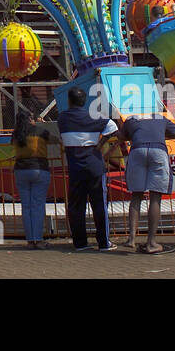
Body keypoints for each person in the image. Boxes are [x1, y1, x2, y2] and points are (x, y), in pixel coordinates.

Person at [57, 86, 120, 252]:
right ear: (84, 102)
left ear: (69, 101)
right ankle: (104, 243)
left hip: (75, 168)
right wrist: (100, 144)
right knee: (99, 205)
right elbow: (113, 127)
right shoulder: (94, 116)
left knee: (76, 207)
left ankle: (80, 243)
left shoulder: (62, 118)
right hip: (94, 166)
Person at [119, 112, 175, 254]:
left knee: (136, 196)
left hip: (137, 150)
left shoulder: (131, 119)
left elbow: (121, 136)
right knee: (155, 198)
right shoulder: (160, 118)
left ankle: (131, 239)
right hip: (158, 151)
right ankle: (151, 242)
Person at [12, 112, 52, 249]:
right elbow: (56, 139)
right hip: (39, 169)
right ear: (31, 119)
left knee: (26, 206)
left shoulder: (16, 134)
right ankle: (38, 239)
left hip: (20, 170)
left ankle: (30, 241)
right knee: (38, 206)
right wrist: (43, 124)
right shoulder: (40, 131)